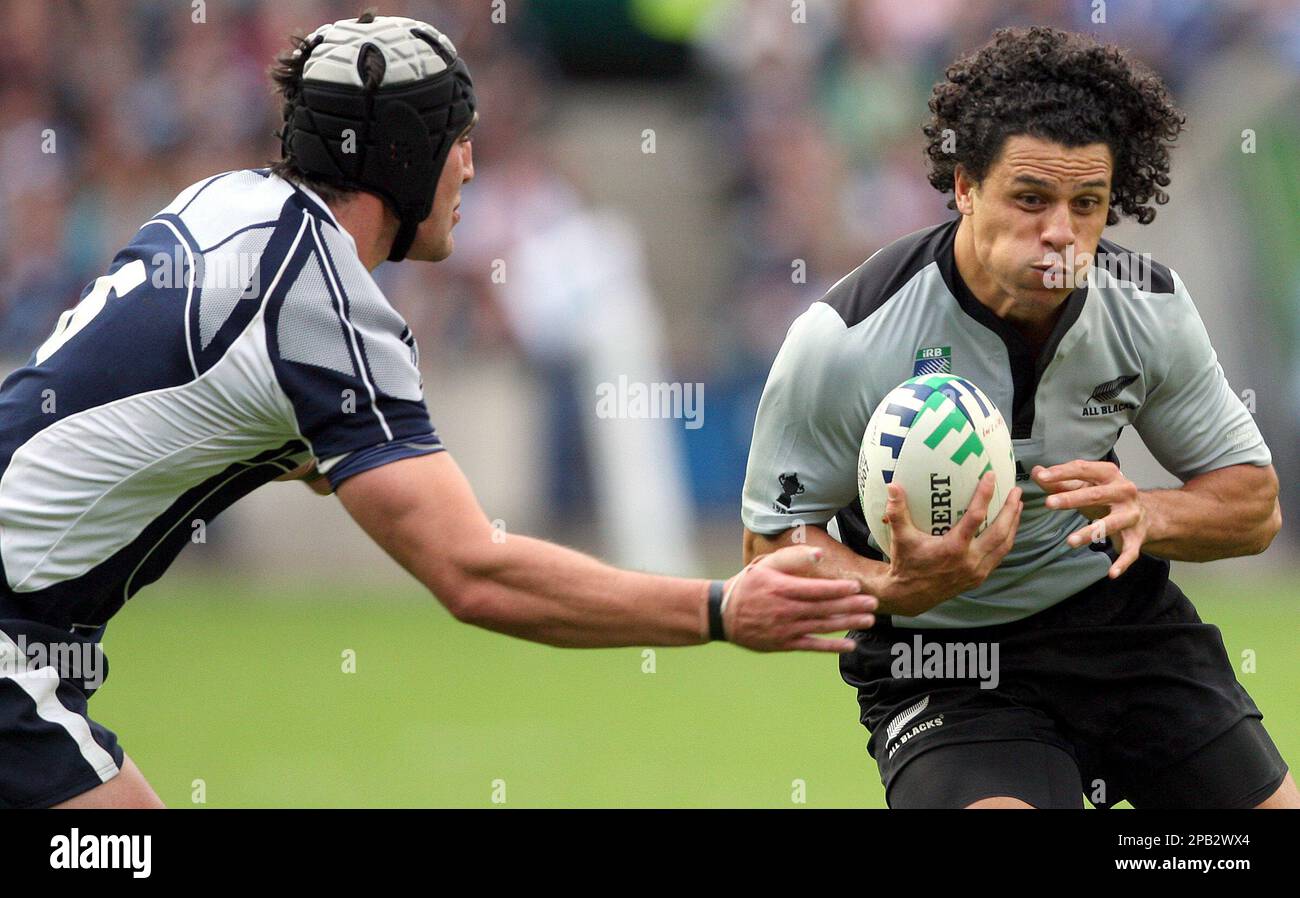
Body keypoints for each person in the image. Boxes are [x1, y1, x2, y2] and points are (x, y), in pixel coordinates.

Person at [0, 13, 878, 809]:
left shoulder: (227, 201)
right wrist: (720, 610)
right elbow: (472, 574)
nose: (471, 167)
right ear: (407, 155)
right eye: (460, 140)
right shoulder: (318, 304)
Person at [741, 26, 1296, 809]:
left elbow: (1255, 507)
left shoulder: (1149, 309)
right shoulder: (848, 340)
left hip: (1123, 636)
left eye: (1087, 204)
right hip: (943, 664)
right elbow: (770, 547)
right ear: (966, 185)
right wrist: (890, 583)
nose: (1061, 232)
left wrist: (1151, 512)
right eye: (1031, 199)